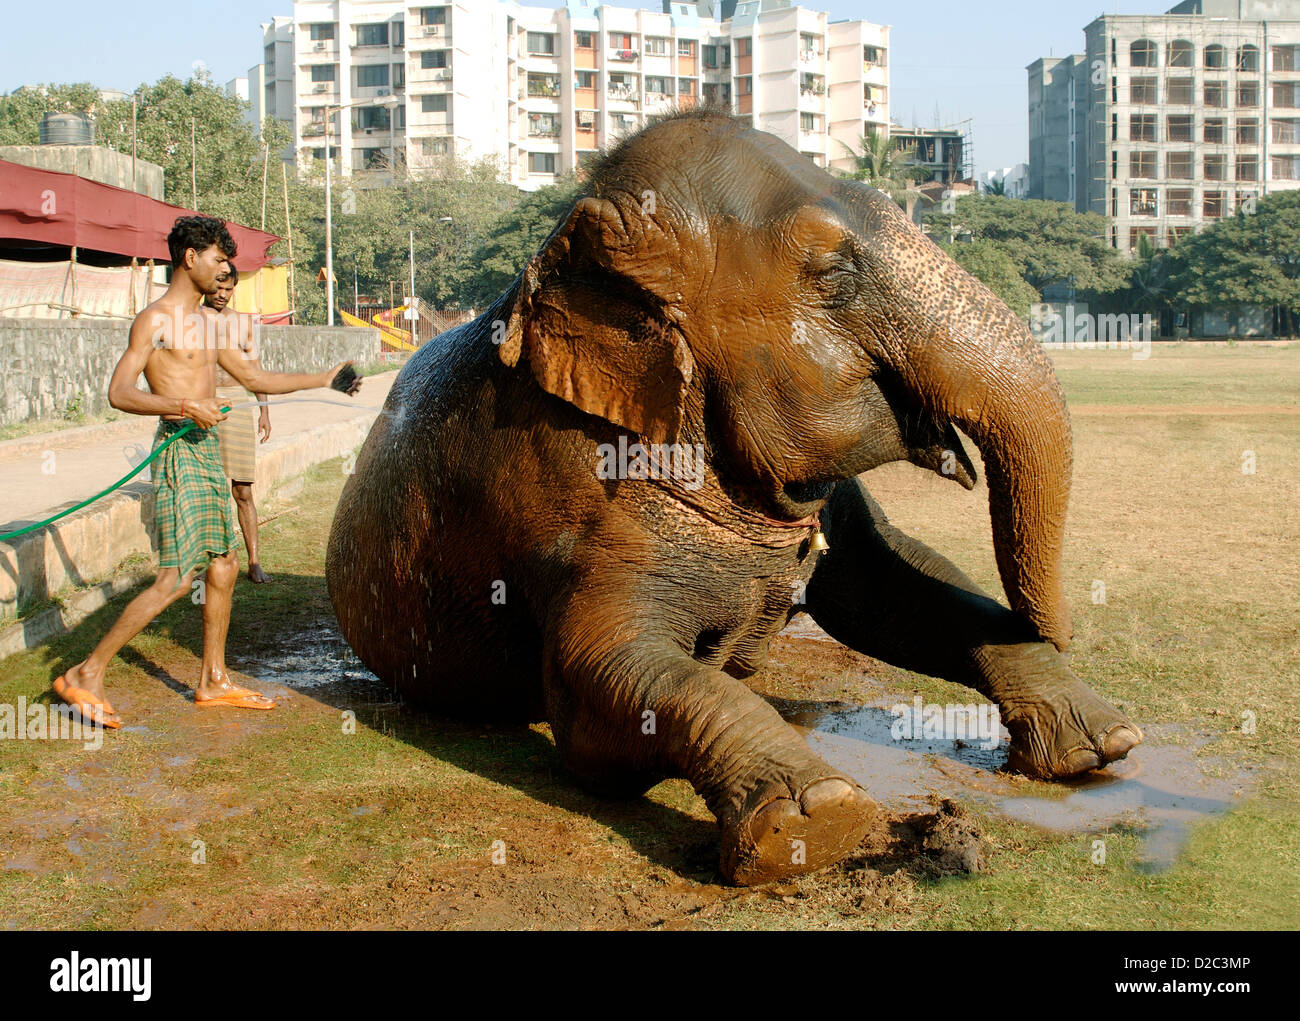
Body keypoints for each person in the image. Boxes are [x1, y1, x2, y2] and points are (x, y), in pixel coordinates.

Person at [50, 215, 361, 728]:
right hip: (179, 449)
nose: (224, 271)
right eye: (218, 260)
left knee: (223, 565)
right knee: (176, 578)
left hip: (207, 448)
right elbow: (119, 392)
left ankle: (213, 680)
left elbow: (254, 375)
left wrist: (322, 378)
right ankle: (86, 673)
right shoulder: (154, 320)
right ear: (189, 258)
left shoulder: (210, 325)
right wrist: (181, 405)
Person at [204, 266, 272, 583]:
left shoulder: (242, 323)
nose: (222, 294)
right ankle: (216, 560)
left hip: (238, 402)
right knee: (208, 489)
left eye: (228, 289)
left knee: (242, 489)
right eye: (217, 287)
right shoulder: (189, 320)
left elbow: (254, 368)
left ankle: (254, 561)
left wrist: (264, 410)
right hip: (203, 403)